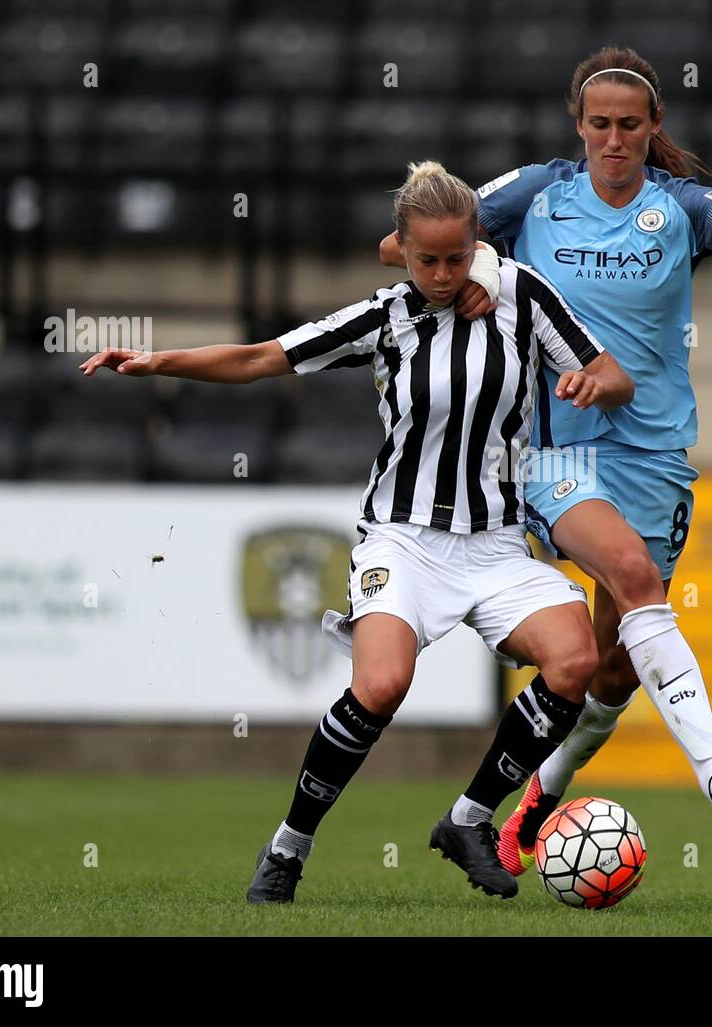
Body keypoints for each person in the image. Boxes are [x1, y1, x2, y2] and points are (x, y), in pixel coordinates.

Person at [80, 160, 634, 902]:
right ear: (399, 249)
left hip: (497, 542)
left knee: (575, 660)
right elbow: (261, 356)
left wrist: (593, 382)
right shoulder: (384, 318)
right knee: (380, 683)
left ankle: (469, 818)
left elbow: (612, 372)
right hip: (402, 539)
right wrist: (161, 361)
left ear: (480, 246)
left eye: (457, 256)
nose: (442, 273)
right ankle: (287, 847)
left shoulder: (524, 300)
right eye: (427, 259)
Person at [379, 47, 712, 876]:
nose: (614, 139)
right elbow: (401, 246)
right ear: (578, 125)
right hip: (558, 452)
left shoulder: (681, 206)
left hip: (654, 452)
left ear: (654, 127)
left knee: (613, 668)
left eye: (631, 125)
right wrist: (480, 268)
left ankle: (498, 811)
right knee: (634, 579)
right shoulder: (536, 194)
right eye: (600, 124)